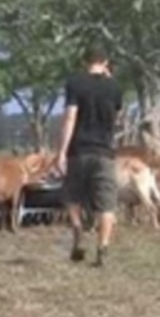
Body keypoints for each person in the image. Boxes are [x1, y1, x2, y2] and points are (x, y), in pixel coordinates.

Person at [55, 45, 123, 267]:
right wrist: (110, 80)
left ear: (85, 61)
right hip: (104, 151)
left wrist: (61, 152)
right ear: (105, 62)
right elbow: (118, 118)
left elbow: (70, 118)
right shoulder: (114, 87)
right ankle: (102, 246)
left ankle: (78, 229)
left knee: (72, 196)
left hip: (79, 151)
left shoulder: (75, 83)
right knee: (107, 204)